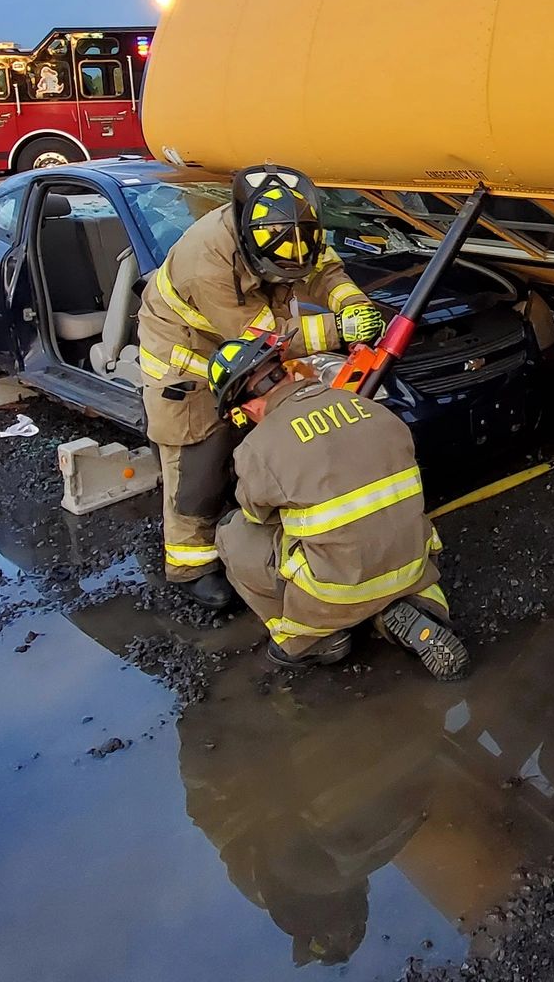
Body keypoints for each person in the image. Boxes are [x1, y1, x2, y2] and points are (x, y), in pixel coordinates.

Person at [136, 164, 385, 609]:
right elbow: (259, 340)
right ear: (250, 245)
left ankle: (254, 533)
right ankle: (190, 564)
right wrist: (339, 331)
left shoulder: (293, 224)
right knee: (195, 458)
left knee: (265, 442)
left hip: (246, 346)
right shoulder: (206, 263)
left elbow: (323, 268)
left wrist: (354, 304)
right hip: (187, 360)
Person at [208, 334, 468, 678]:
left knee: (234, 533)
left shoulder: (258, 447)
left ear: (248, 407)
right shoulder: (369, 406)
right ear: (285, 372)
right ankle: (411, 608)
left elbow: (258, 515)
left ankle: (306, 640)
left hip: (337, 591)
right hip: (413, 565)